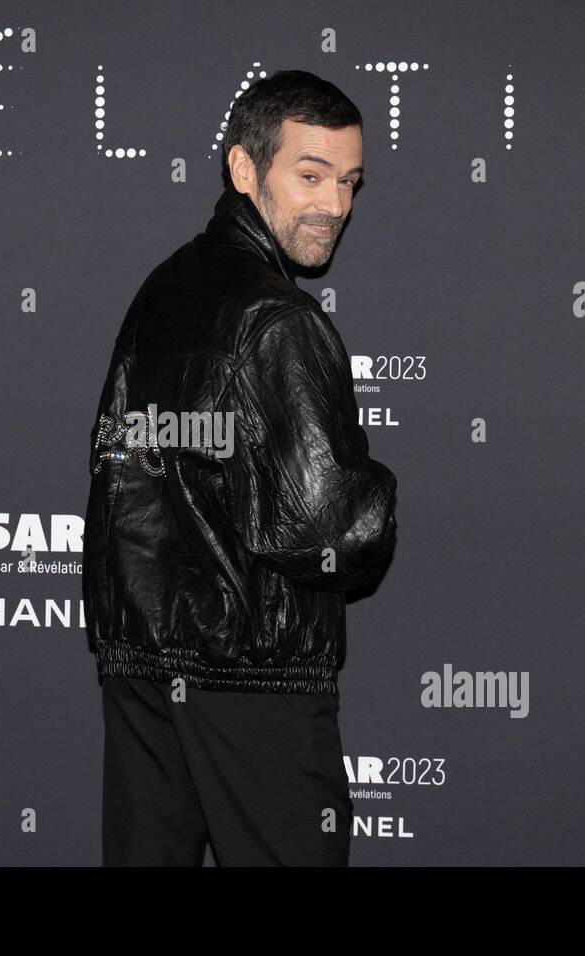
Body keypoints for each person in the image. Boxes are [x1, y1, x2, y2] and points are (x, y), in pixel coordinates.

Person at [82, 70, 398, 866]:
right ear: (244, 169)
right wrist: (380, 497)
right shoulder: (278, 319)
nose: (335, 205)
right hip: (253, 670)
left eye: (349, 182)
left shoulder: (163, 291)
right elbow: (326, 525)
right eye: (311, 175)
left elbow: (121, 461)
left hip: (145, 668)